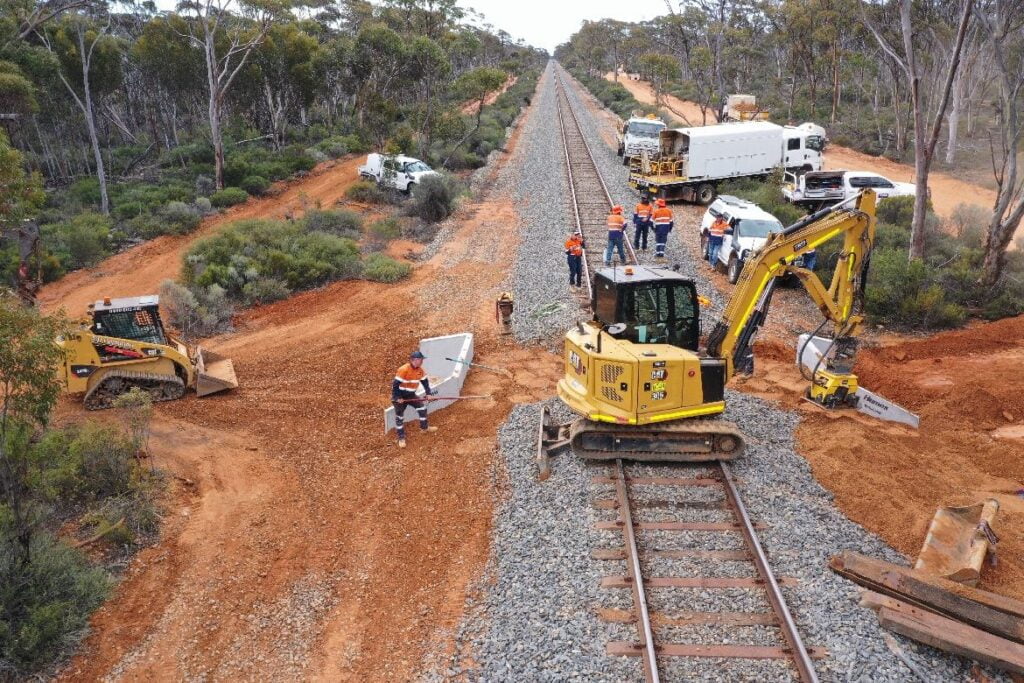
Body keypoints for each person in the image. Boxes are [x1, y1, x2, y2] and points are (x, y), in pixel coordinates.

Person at [391, 350, 438, 448]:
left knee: (422, 408)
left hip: (411, 395)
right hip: (400, 396)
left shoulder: (420, 370)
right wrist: (397, 397)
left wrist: (428, 394)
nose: (422, 361)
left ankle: (424, 428)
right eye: (421, 359)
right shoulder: (403, 369)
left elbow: (425, 383)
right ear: (415, 360)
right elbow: (395, 385)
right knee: (399, 417)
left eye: (422, 360)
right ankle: (401, 438)